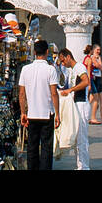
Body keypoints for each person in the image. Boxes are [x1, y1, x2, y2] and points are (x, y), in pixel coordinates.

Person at [18, 39, 60, 170]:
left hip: (32, 113)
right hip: (47, 113)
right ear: (47, 52)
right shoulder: (50, 70)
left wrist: (23, 112)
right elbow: (54, 93)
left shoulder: (26, 69)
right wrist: (57, 114)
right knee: (46, 148)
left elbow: (21, 94)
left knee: (32, 147)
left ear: (35, 52)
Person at [57, 47, 91, 170]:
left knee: (82, 138)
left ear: (68, 57)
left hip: (81, 104)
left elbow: (85, 82)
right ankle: (80, 165)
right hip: (75, 103)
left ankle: (84, 166)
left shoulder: (80, 68)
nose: (63, 63)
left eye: (63, 60)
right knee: (77, 138)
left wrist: (70, 90)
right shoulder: (72, 70)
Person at [85, 44, 102, 124]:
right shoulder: (90, 58)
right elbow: (92, 68)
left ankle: (101, 116)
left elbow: (101, 67)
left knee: (98, 97)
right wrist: (89, 83)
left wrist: (98, 61)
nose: (98, 52)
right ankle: (92, 117)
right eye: (97, 50)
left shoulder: (97, 58)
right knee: (94, 97)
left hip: (96, 78)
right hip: (92, 79)